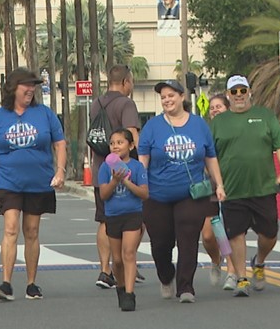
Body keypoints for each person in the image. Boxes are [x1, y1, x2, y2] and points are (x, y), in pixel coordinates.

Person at [0, 67, 66, 302]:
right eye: (26, 85)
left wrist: (60, 170)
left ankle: (31, 283)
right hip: (8, 181)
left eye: (33, 85)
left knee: (32, 231)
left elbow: (60, 143)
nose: (31, 90)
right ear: (14, 88)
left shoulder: (44, 114)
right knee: (11, 227)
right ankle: (6, 283)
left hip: (39, 182)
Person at [138, 79, 224, 303]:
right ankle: (166, 276)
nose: (167, 100)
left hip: (191, 194)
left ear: (181, 97)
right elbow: (143, 159)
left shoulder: (198, 125)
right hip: (157, 195)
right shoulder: (152, 126)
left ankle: (186, 287)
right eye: (163, 97)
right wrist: (140, 186)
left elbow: (210, 156)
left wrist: (219, 184)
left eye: (171, 95)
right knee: (161, 243)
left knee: (188, 240)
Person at [211, 75, 280, 296]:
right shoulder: (219, 122)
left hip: (263, 188)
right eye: (234, 92)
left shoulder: (265, 116)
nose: (239, 95)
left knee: (270, 234)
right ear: (228, 95)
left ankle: (260, 261)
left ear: (249, 92)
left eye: (242, 91)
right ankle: (242, 277)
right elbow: (211, 156)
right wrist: (217, 183)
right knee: (236, 234)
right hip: (232, 189)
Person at [90, 64, 141, 290]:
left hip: (100, 169)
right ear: (125, 82)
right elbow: (133, 135)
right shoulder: (126, 103)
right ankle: (126, 262)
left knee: (104, 219)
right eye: (130, 82)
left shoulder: (96, 103)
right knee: (135, 219)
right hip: (125, 172)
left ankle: (105, 270)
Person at [97, 128, 149, 312]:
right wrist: (114, 181)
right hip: (113, 216)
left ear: (131, 145)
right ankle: (120, 287)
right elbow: (103, 194)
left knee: (129, 254)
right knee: (117, 259)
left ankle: (129, 294)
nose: (115, 146)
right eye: (112, 143)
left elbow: (144, 193)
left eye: (120, 142)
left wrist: (126, 181)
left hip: (133, 214)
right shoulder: (105, 167)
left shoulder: (137, 167)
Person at [199, 93, 230, 285]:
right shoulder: (204, 131)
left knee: (232, 231)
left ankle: (234, 274)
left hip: (233, 185)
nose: (215, 110)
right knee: (209, 235)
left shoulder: (236, 129)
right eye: (212, 107)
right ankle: (216, 260)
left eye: (219, 106)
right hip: (210, 188)